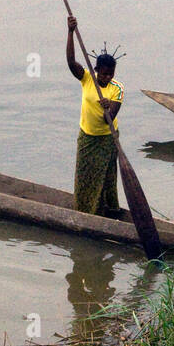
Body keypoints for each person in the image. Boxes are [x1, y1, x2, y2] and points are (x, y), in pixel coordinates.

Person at [66, 15, 124, 216]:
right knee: (85, 176)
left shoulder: (118, 88)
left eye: (111, 74)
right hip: (88, 137)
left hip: (108, 139)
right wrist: (70, 32)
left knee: (107, 178)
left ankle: (107, 211)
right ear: (97, 70)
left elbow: (108, 118)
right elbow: (71, 62)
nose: (107, 77)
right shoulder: (87, 78)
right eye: (104, 73)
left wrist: (109, 108)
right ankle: (84, 211)